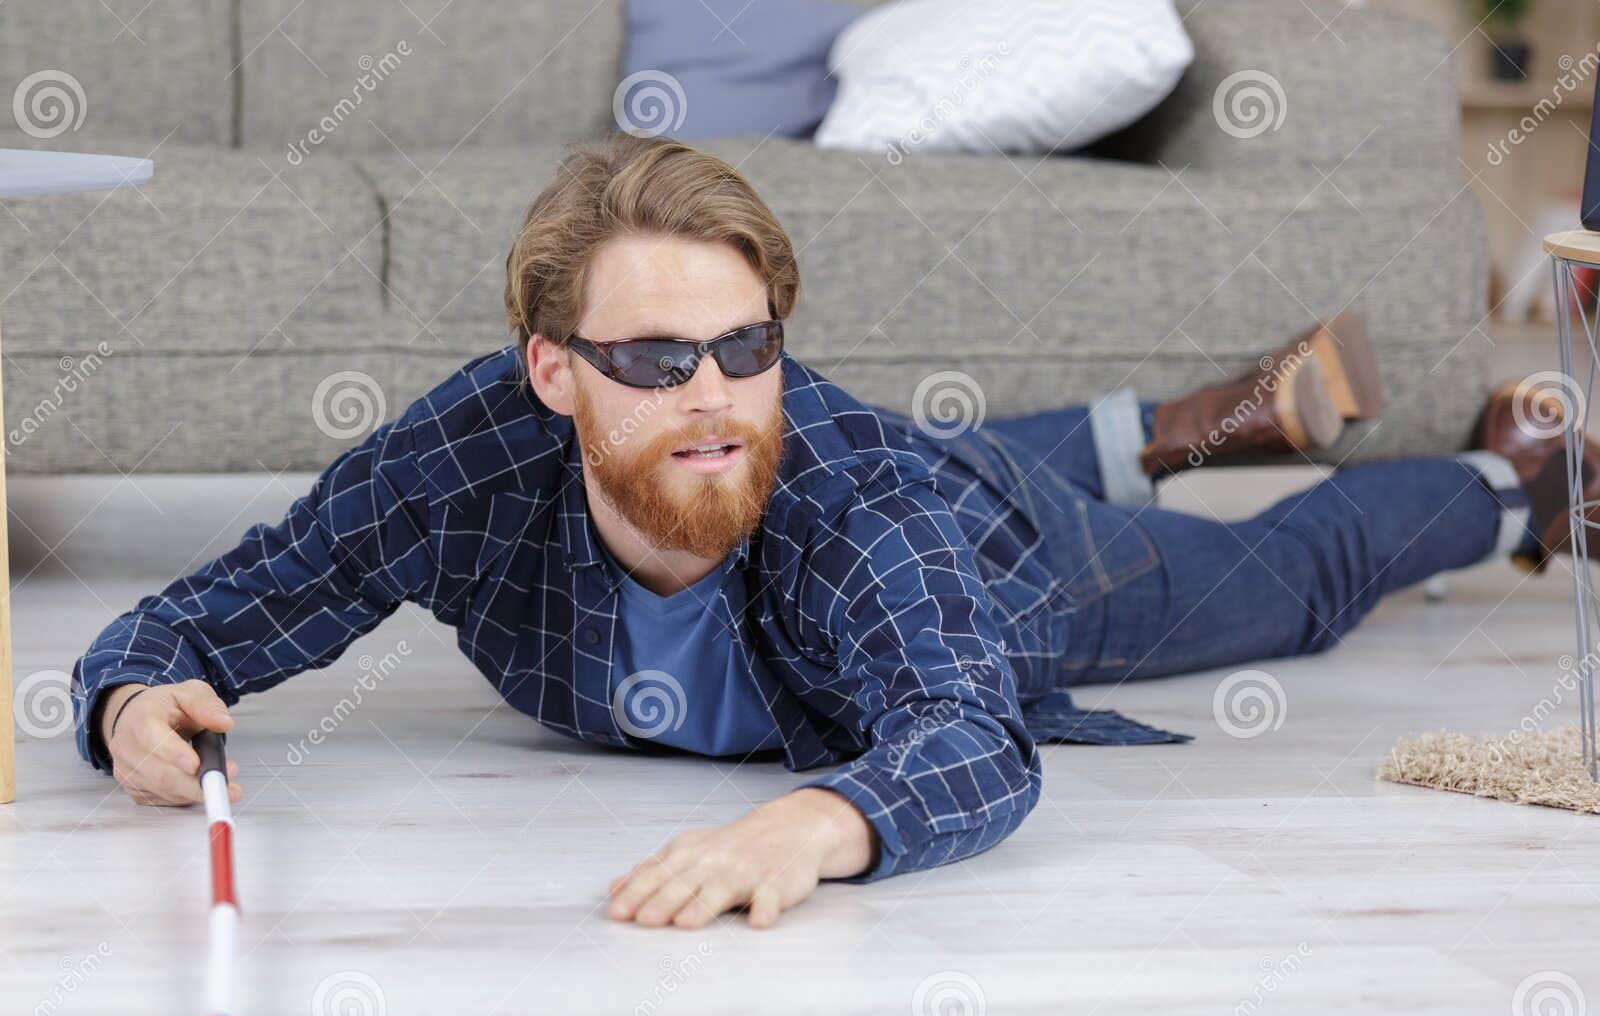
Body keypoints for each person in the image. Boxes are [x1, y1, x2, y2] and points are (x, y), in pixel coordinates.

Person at [70, 133, 1588, 930]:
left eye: (747, 345)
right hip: (914, 472)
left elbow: (969, 734)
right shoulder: (455, 463)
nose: (714, 390)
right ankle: (1187, 420)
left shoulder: (857, 504)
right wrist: (135, 702)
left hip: (1007, 561)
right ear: (552, 374)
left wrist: (820, 818)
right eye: (658, 361)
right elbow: (206, 612)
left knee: (1287, 580)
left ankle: (1522, 481)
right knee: (906, 454)